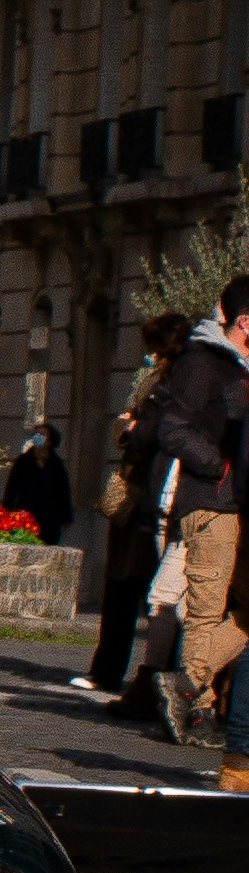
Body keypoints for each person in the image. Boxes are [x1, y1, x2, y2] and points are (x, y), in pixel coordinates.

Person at [137, 275, 249, 743]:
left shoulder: (241, 366)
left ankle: (183, 687)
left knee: (244, 608)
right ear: (246, 321)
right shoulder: (206, 364)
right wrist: (221, 468)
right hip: (212, 502)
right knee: (206, 608)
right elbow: (173, 428)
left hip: (239, 502)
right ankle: (196, 711)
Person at [78, 309, 193, 696]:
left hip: (160, 495)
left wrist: (136, 429)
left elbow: (159, 433)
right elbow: (125, 428)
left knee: (160, 593)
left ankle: (157, 676)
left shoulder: (182, 381)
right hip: (133, 495)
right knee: (123, 587)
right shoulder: (152, 380)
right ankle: (112, 669)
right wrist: (128, 428)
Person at [0, 418, 73, 548]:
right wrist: (6, 512)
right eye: (36, 434)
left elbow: (63, 492)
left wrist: (66, 517)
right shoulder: (23, 461)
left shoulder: (56, 465)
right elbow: (11, 488)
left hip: (49, 519)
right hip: (26, 515)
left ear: (50, 441)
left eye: (42, 434)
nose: (38, 437)